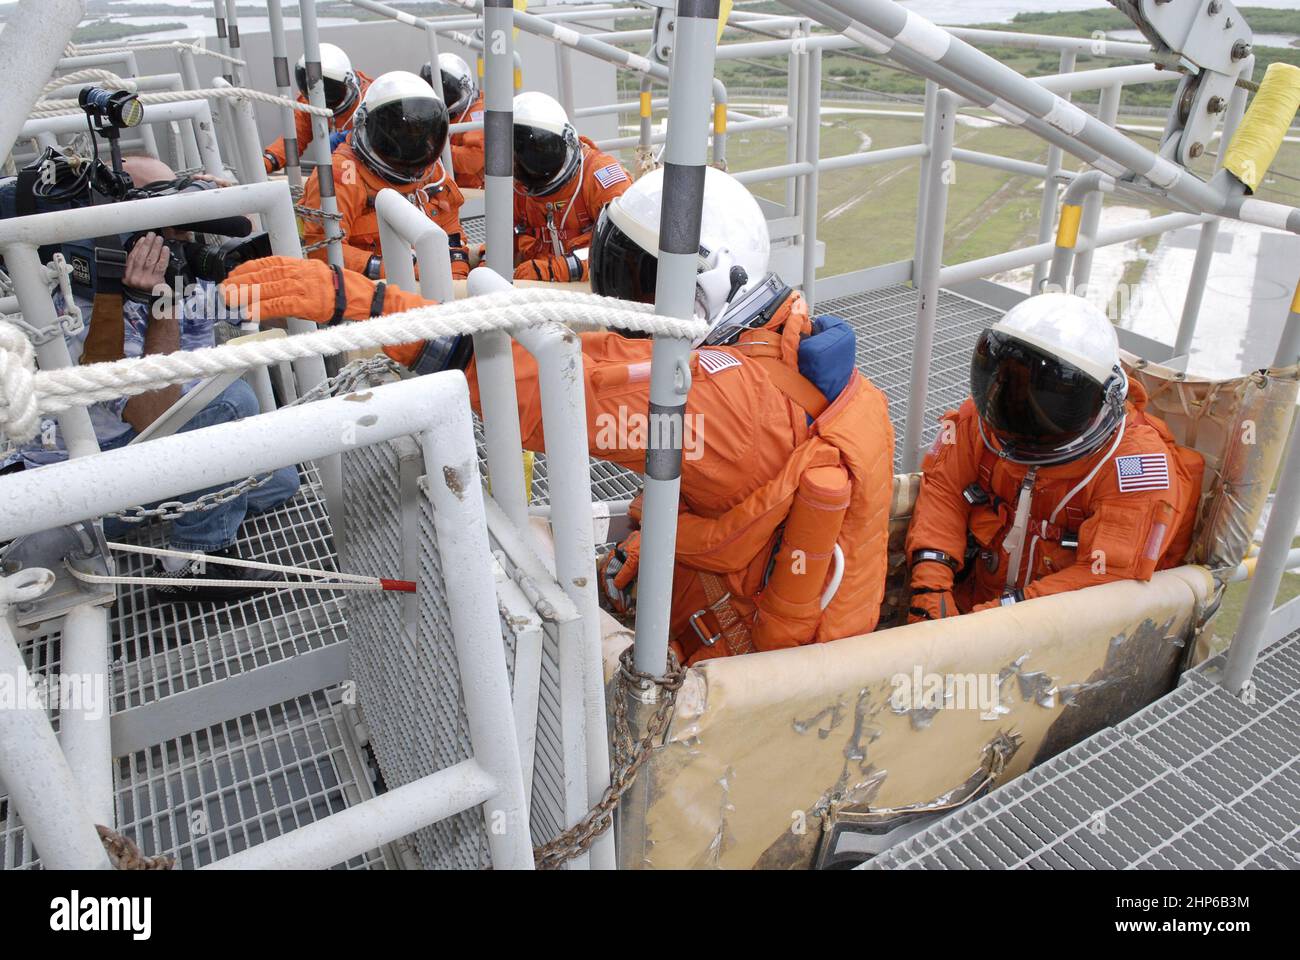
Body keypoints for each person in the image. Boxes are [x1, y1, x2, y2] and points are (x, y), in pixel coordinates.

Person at [223, 167, 895, 664]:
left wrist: (364, 307)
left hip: (748, 658)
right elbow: (602, 348)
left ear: (705, 285)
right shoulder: (776, 336)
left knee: (536, 604)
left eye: (639, 283)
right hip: (744, 597)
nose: (620, 300)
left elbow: (561, 390)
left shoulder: (720, 406)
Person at [1, 156, 300, 603]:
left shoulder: (178, 271)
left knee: (280, 479)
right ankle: (188, 563)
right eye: (164, 219)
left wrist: (231, 206)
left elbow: (268, 301)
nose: (179, 232)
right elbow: (153, 413)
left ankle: (174, 497)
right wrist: (158, 302)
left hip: (138, 450)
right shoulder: (77, 310)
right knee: (229, 403)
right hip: (80, 484)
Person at [904, 293, 1204, 620]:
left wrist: (987, 624)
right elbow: (944, 490)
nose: (1019, 411)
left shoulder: (1134, 466)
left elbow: (1104, 575)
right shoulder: (983, 418)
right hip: (973, 604)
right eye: (1011, 383)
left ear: (1104, 399)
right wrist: (930, 587)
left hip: (1065, 634)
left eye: (1045, 396)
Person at [299, 70, 471, 280]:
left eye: (419, 134)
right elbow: (324, 250)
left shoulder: (431, 172)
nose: (412, 143)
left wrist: (457, 274)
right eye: (402, 133)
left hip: (432, 286)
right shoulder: (343, 175)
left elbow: (451, 230)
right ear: (367, 125)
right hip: (370, 292)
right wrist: (404, 270)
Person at [504, 91, 631, 283]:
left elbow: (624, 249)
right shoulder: (520, 188)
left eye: (540, 151)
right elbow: (503, 238)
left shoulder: (599, 178)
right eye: (520, 155)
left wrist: (555, 270)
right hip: (538, 291)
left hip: (593, 288)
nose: (530, 166)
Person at [263, 43, 372, 175]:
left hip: (367, 171)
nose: (321, 96)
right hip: (338, 172)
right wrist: (267, 162)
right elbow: (295, 138)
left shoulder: (369, 101)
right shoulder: (312, 101)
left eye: (329, 91)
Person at [420, 53, 484, 190]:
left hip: (472, 193)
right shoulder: (441, 114)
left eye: (442, 91)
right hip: (442, 186)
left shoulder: (478, 114)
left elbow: (473, 159)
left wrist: (432, 149)